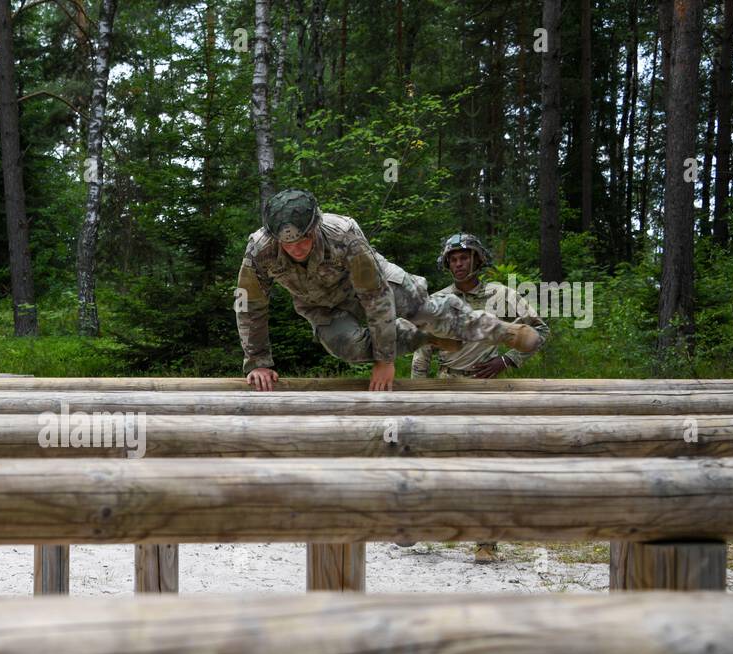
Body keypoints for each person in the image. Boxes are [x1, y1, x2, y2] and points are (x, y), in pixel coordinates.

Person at [235, 189, 542, 392]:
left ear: (316, 226)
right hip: (323, 304)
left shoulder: (344, 234)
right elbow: (250, 306)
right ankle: (422, 337)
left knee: (426, 312)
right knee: (347, 348)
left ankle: (501, 330)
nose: (298, 249)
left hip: (376, 284)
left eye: (304, 240)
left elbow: (375, 297)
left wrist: (385, 360)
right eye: (289, 243)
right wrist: (258, 362)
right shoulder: (259, 250)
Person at [412, 232, 551, 563]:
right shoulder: (439, 299)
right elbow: (422, 346)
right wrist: (416, 390)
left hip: (485, 389)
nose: (459, 264)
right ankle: (415, 525)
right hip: (445, 388)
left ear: (477, 259)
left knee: (486, 464)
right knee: (431, 459)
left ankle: (485, 541)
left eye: (464, 257)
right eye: (453, 259)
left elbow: (540, 331)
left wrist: (506, 359)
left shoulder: (502, 296)